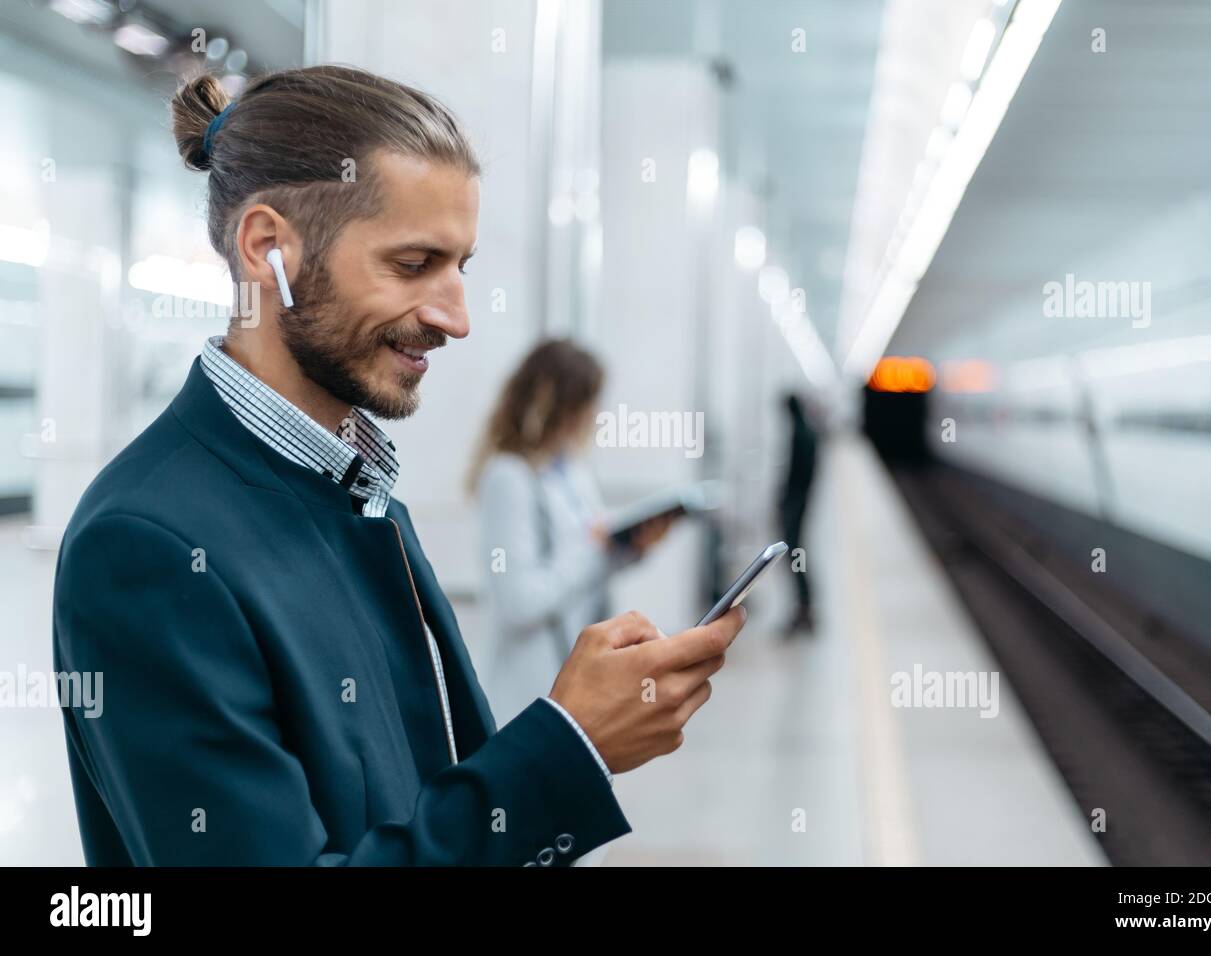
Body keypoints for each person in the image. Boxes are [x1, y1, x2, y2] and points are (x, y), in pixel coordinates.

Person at [51, 64, 744, 867]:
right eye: (414, 265)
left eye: (462, 267)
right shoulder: (148, 547)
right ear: (268, 248)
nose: (455, 317)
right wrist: (568, 746)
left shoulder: (359, 490)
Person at [466, 340, 672, 728]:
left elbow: (585, 562)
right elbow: (519, 601)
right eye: (587, 402)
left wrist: (628, 548)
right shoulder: (508, 477)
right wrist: (597, 551)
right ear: (560, 405)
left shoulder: (570, 469)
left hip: (579, 681)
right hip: (527, 688)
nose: (593, 415)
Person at [778, 392, 820, 635]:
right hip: (801, 503)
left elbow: (794, 477)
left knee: (795, 554)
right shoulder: (808, 431)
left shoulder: (799, 434)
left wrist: (786, 505)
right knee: (798, 554)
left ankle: (803, 607)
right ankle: (804, 606)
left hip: (795, 504)